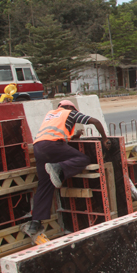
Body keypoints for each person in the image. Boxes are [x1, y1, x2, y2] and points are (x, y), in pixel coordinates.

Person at [23, 100, 110, 244]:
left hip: (38, 147)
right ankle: (58, 169)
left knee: (44, 185)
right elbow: (95, 121)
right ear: (69, 107)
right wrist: (105, 139)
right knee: (83, 159)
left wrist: (75, 137)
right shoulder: (69, 113)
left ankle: (35, 223)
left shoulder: (50, 115)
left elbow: (57, 136)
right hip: (52, 145)